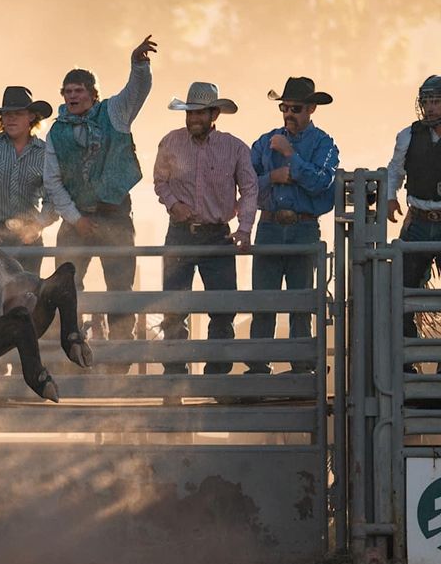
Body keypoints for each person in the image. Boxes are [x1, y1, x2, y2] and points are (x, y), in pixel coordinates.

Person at [44, 35, 158, 363]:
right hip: (75, 215)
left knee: (120, 289)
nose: (72, 96)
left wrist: (138, 64)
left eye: (79, 90)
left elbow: (137, 91)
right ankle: (70, 351)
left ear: (93, 94)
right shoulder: (57, 132)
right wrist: (75, 218)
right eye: (67, 91)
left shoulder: (115, 112)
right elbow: (53, 182)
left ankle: (121, 357)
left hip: (115, 214)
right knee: (63, 287)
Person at [154, 82, 258, 376]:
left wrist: (245, 227)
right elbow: (160, 181)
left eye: (199, 113)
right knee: (174, 308)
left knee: (222, 309)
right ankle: (175, 374)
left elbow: (250, 188)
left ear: (214, 114)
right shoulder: (171, 142)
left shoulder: (234, 147)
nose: (193, 119)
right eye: (190, 113)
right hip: (180, 231)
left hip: (217, 234)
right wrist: (174, 204)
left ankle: (217, 375)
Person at [247, 77, 339, 375]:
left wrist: (290, 156)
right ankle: (259, 368)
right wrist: (271, 179)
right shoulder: (264, 142)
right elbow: (246, 187)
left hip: (303, 228)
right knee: (264, 301)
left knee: (301, 302)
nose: (289, 113)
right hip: (270, 226)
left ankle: (302, 368)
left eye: (295, 108)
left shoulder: (324, 143)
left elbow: (322, 183)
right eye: (285, 108)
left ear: (311, 108)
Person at [0, 86, 56, 275]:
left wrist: (38, 225)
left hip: (29, 234)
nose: (11, 118)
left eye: (18, 113)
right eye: (6, 114)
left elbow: (53, 198)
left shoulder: (46, 153)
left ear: (31, 117)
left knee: (29, 293)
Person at [388, 75, 441, 367]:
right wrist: (390, 196)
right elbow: (395, 169)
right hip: (419, 219)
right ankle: (409, 363)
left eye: (436, 101)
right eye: (427, 102)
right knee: (401, 289)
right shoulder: (408, 135)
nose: (431, 108)